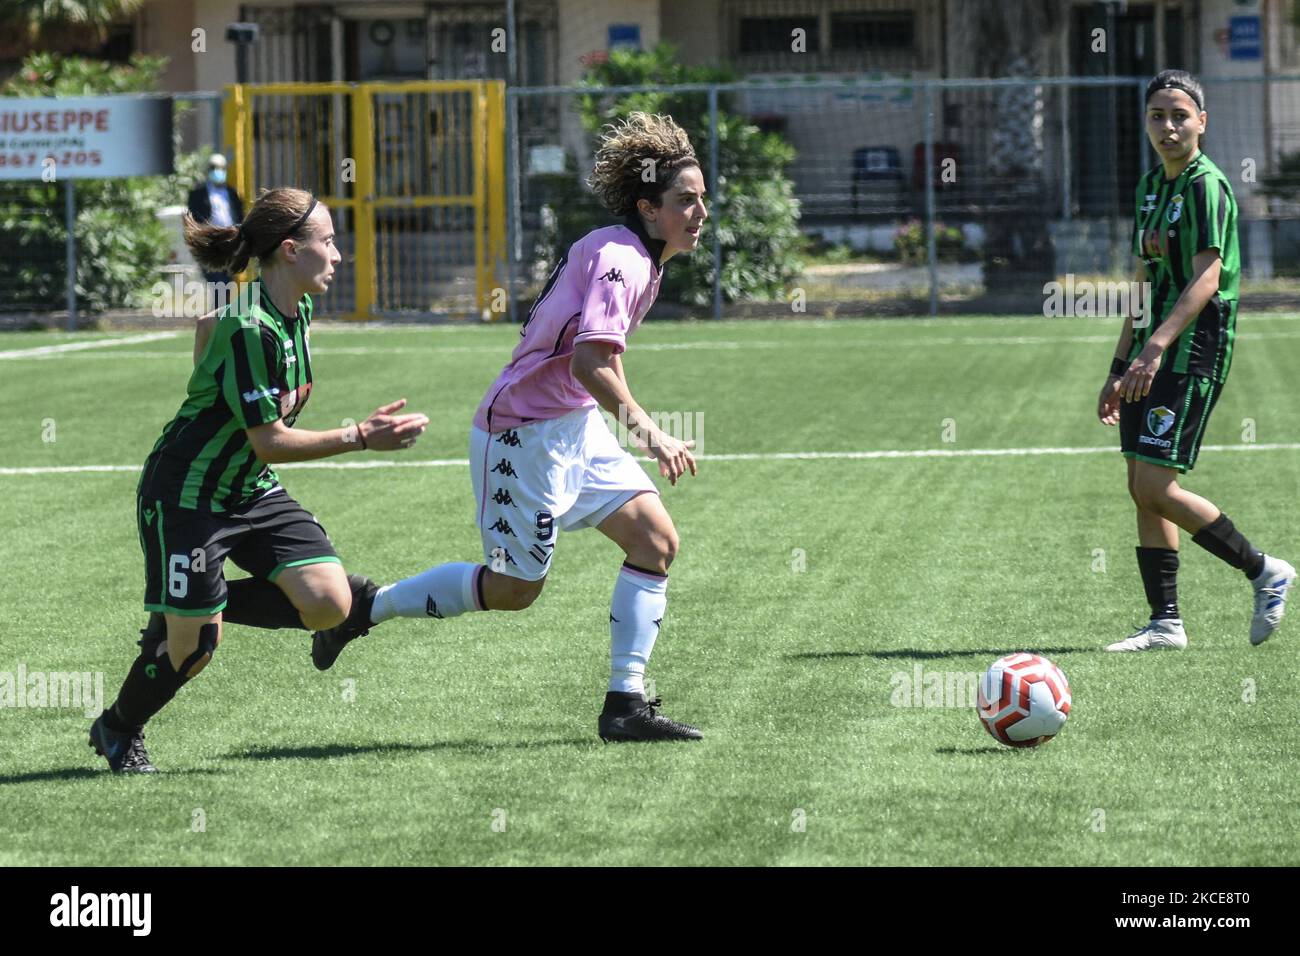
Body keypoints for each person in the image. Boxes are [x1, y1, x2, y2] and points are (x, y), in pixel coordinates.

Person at [311, 112, 707, 741]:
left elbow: (593, 361)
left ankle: (624, 707)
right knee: (516, 588)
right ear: (648, 207)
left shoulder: (634, 255)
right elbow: (589, 358)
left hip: (572, 424)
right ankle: (366, 607)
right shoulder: (623, 259)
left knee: (655, 543)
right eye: (685, 200)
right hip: (523, 435)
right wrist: (650, 432)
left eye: (701, 199)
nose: (699, 212)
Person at [89, 187, 429, 772]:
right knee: (194, 652)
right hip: (187, 494)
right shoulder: (253, 328)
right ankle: (118, 727)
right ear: (292, 250)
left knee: (330, 603)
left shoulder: (296, 309)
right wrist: (359, 436)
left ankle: (184, 608)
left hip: (248, 489)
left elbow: (207, 323)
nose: (339, 255)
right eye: (328, 242)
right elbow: (270, 440)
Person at [1097, 70, 1294, 652]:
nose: (1168, 126)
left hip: (1191, 348)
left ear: (1201, 122)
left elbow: (1207, 277)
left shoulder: (1207, 186)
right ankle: (1165, 623)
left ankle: (1264, 571)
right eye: (1157, 115)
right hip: (1147, 353)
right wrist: (1118, 364)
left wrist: (1155, 348)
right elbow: (1141, 279)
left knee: (1158, 484)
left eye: (1180, 115)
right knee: (1142, 483)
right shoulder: (1150, 188)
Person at [187, 154, 245, 287]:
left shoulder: (231, 192)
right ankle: (222, 306)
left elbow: (239, 215)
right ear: (208, 170)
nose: (217, 171)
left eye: (220, 168)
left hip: (229, 241)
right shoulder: (198, 193)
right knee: (217, 280)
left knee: (227, 281)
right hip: (210, 241)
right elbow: (193, 217)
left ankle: (222, 307)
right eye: (214, 168)